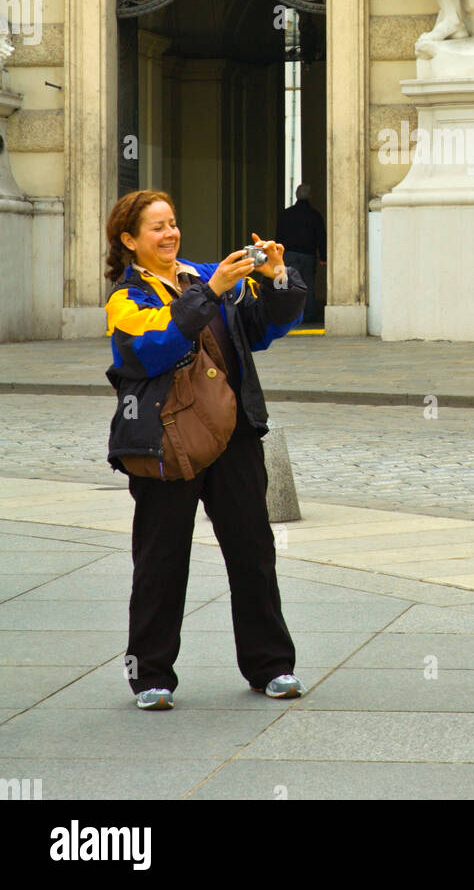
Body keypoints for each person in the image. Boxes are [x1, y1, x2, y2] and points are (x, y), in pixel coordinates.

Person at [104, 188, 308, 710]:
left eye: (172, 223)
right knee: (160, 559)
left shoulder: (202, 274)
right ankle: (150, 675)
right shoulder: (127, 300)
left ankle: (271, 666)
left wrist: (278, 278)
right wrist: (212, 290)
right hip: (165, 440)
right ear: (130, 241)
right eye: (156, 227)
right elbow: (153, 350)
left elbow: (263, 330)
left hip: (234, 434)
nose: (169, 234)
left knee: (254, 552)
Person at [275, 183, 327, 323]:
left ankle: (291, 316)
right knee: (308, 286)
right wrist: (323, 256)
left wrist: (277, 254)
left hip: (289, 254)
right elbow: (321, 236)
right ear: (310, 196)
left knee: (289, 285)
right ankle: (308, 316)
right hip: (308, 255)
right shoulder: (315, 215)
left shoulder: (285, 214)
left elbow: (279, 236)